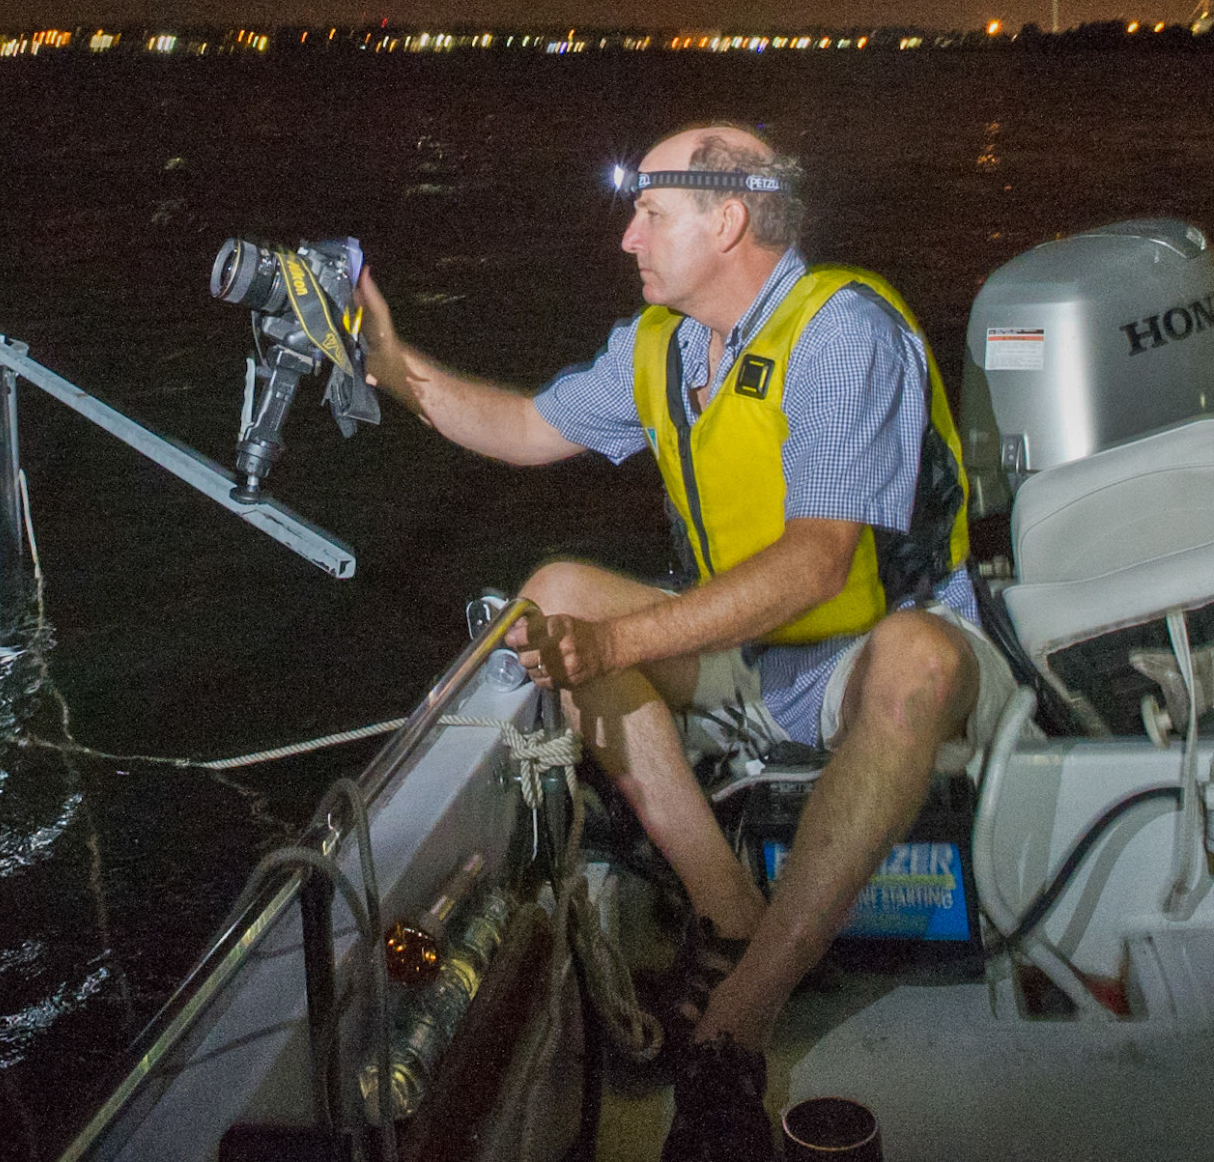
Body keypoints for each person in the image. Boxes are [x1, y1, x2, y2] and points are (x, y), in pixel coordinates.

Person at [355, 123, 1017, 1161]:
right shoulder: (660, 346)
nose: (627, 239)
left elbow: (815, 567)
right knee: (553, 592)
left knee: (919, 663)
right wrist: (383, 359)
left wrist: (617, 641)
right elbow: (525, 428)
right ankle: (730, 909)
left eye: (650, 213)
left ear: (728, 220)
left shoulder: (841, 332)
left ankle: (736, 1024)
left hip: (869, 646)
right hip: (756, 652)